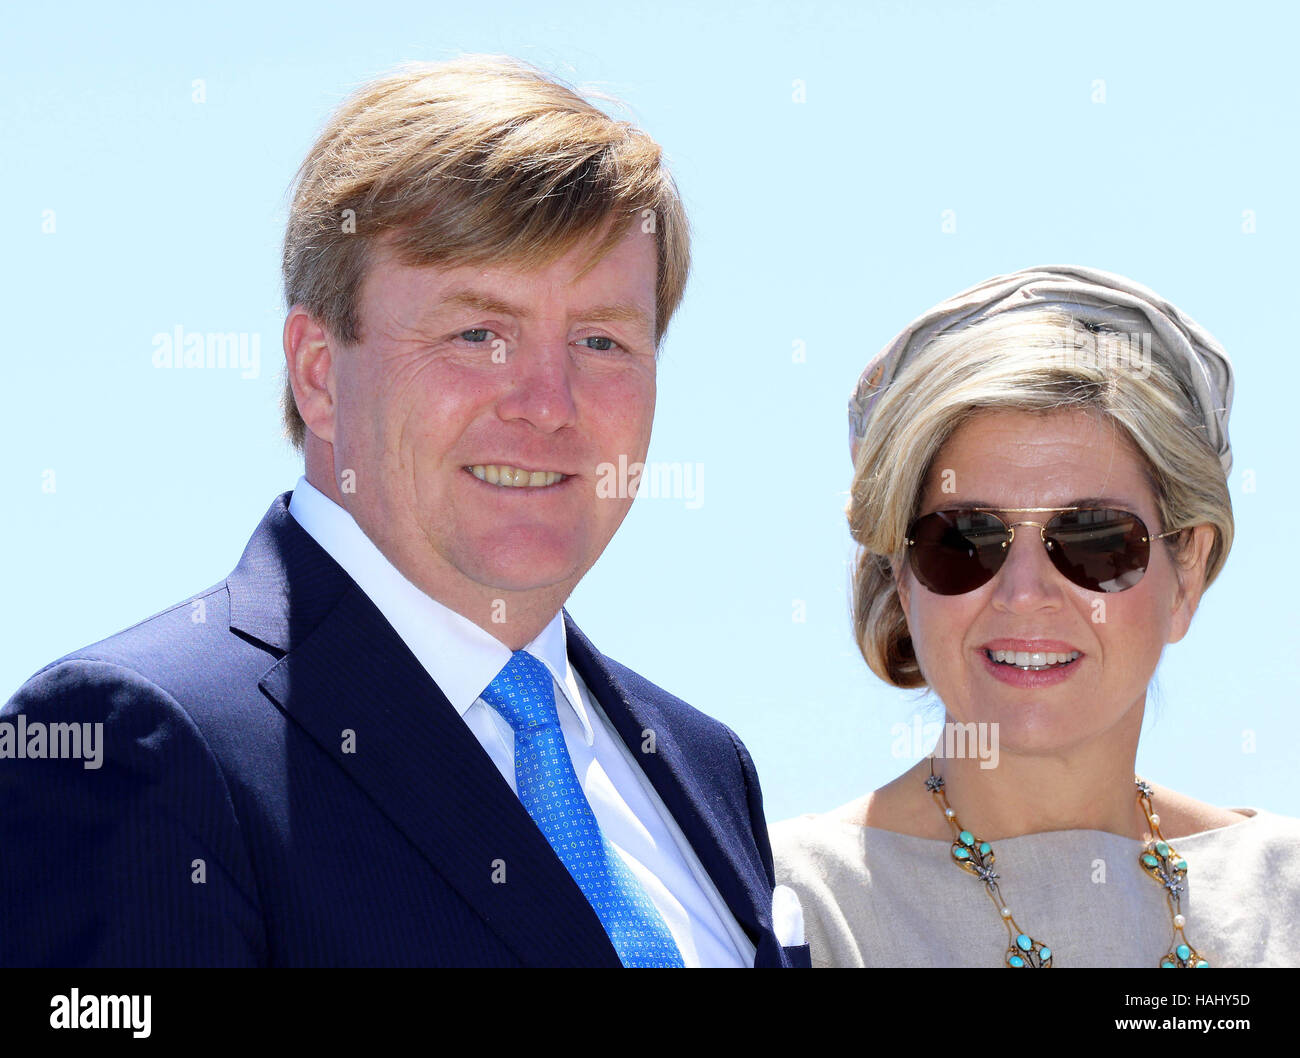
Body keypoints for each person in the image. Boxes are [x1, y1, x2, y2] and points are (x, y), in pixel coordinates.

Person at [0, 56, 807, 969]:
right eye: (478, 333)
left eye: (600, 340)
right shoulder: (134, 748)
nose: (548, 402)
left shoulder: (706, 769)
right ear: (318, 372)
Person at [770, 265, 1300, 968]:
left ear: (1189, 570)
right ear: (902, 577)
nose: (1024, 592)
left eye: (1093, 540)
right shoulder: (787, 908)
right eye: (965, 540)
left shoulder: (1282, 898)